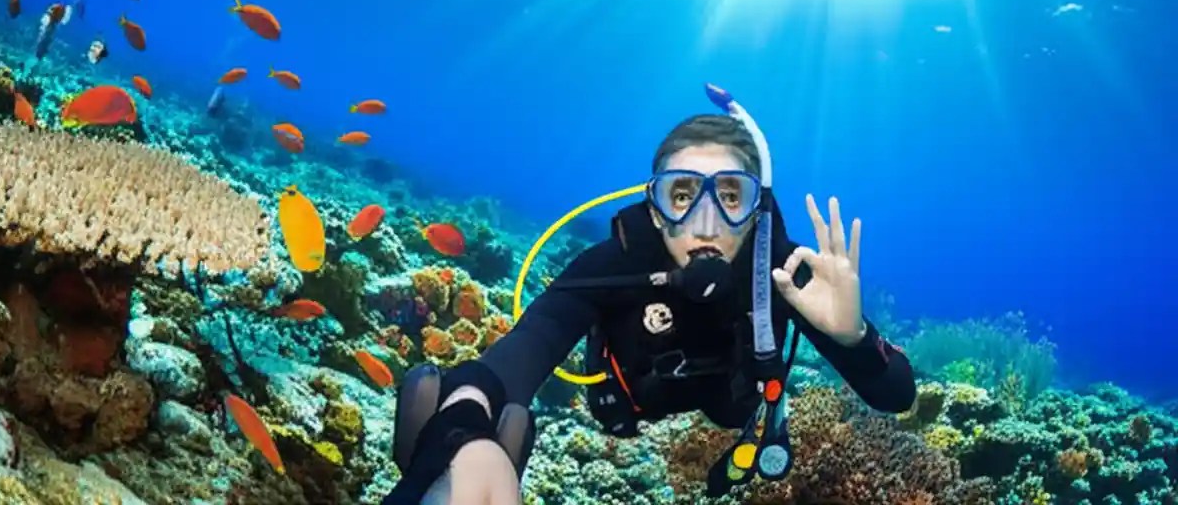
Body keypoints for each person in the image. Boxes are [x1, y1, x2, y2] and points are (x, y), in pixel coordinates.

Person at [383, 85, 916, 504]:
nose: (706, 222)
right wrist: (463, 427)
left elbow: (896, 395)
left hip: (733, 405)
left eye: (731, 195)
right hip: (631, 403)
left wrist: (853, 336)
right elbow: (525, 347)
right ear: (655, 209)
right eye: (682, 195)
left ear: (756, 211)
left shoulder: (782, 273)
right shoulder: (616, 264)